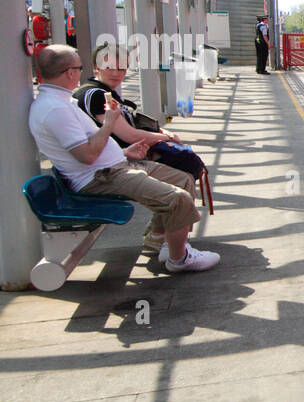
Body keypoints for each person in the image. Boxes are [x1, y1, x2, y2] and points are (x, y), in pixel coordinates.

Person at [28, 45, 218, 273]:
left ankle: (164, 240)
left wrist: (123, 153)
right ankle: (180, 259)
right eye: (79, 68)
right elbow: (87, 155)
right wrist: (109, 122)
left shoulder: (63, 102)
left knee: (184, 179)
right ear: (70, 72)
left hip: (116, 164)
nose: (80, 73)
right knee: (178, 199)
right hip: (101, 176)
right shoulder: (55, 109)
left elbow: (90, 146)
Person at [74, 43, 207, 185]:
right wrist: (167, 137)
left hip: (121, 157)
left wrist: (162, 133)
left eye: (121, 69)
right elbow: (129, 135)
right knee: (183, 178)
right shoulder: (96, 95)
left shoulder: (105, 93)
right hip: (112, 166)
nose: (116, 73)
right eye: (109, 67)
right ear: (96, 67)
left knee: (185, 169)